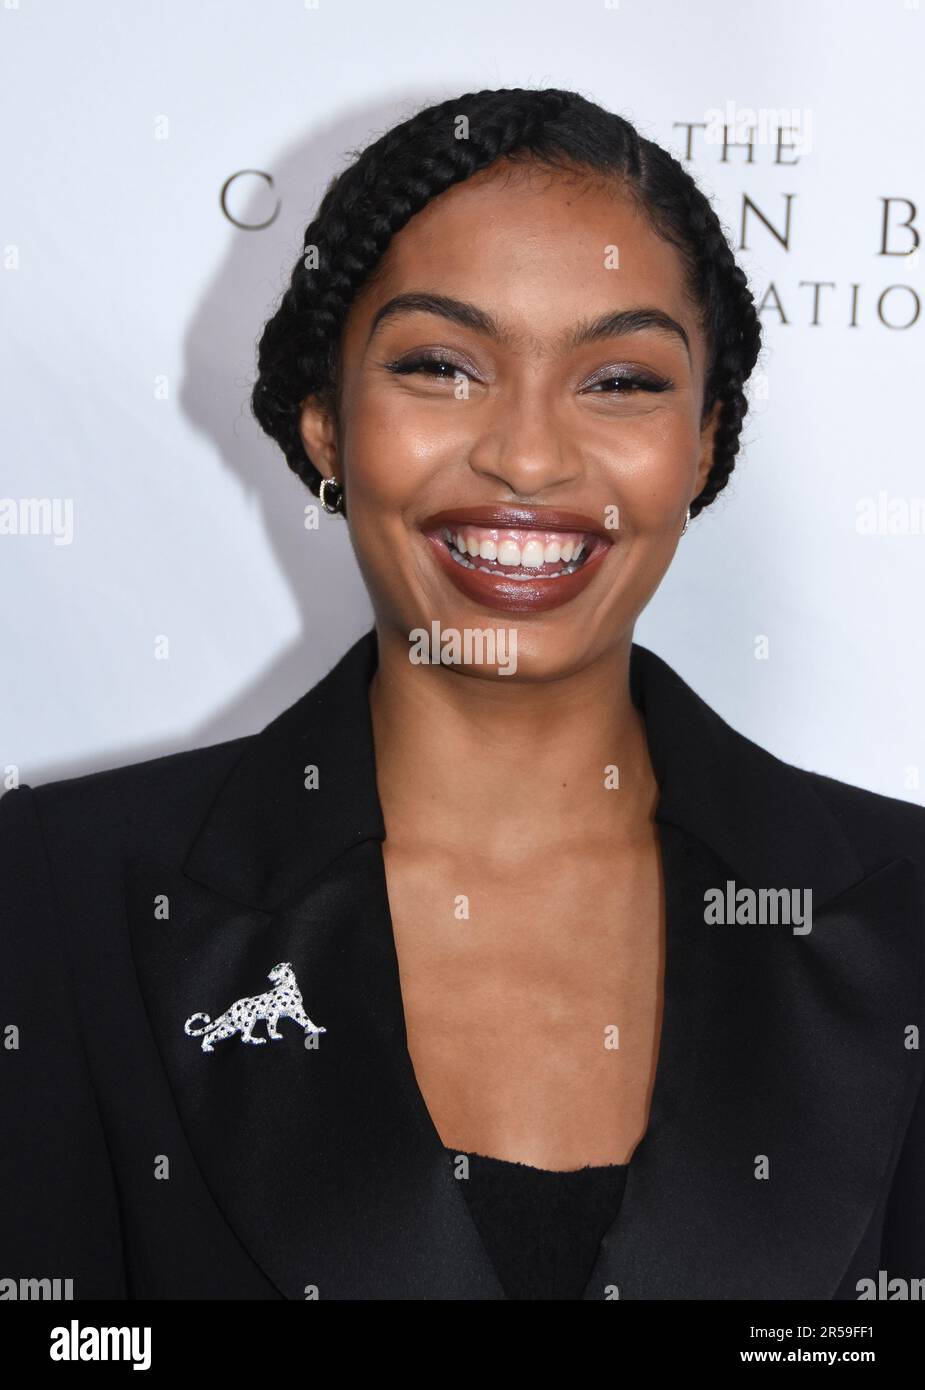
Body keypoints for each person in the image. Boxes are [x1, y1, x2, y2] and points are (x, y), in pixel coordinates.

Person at [2, 87, 923, 1302]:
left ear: (703, 442)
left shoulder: (901, 908)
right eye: (441, 366)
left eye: (622, 380)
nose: (529, 457)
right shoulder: (57, 899)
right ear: (326, 420)